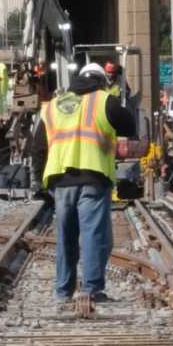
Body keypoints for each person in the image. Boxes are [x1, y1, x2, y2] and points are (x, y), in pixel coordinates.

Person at [31, 63, 136, 307]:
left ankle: (63, 291)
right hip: (93, 177)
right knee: (93, 235)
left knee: (65, 237)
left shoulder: (53, 106)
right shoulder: (104, 101)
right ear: (101, 81)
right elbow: (129, 126)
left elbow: (37, 146)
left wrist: (38, 181)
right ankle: (92, 290)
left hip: (61, 181)